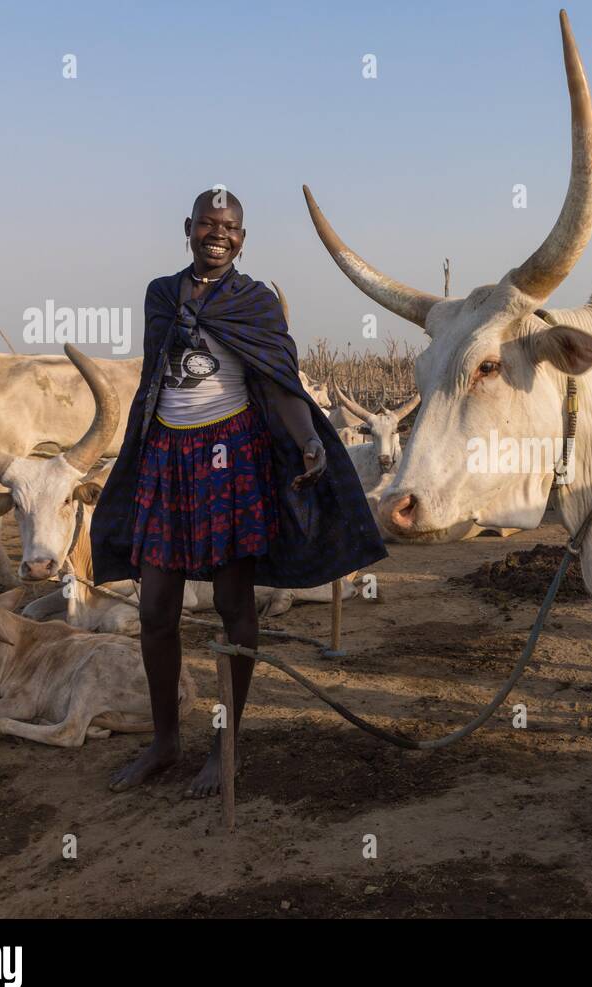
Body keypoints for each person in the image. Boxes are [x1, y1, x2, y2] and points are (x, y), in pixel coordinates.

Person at [91, 188, 387, 798]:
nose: (217, 234)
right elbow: (154, 377)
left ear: (242, 238)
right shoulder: (160, 295)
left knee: (233, 607)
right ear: (188, 228)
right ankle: (165, 741)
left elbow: (280, 382)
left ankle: (225, 744)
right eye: (207, 224)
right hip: (166, 454)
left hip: (231, 457)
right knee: (154, 610)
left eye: (229, 227)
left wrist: (308, 441)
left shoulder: (254, 303)